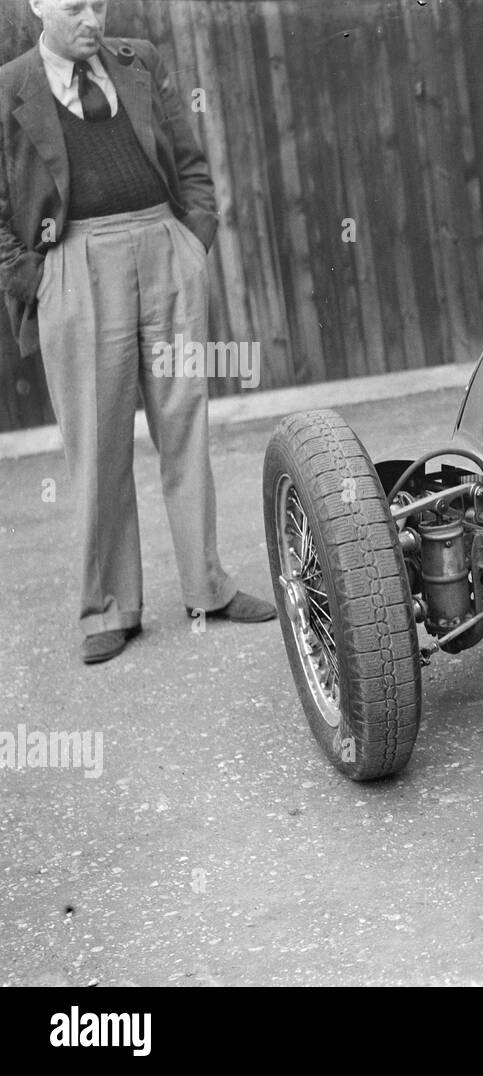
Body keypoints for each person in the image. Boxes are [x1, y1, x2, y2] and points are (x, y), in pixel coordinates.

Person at [0, 0, 274, 664]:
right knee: (97, 439)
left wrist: (193, 242)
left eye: (99, 3)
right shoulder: (11, 87)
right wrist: (33, 277)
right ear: (38, 6)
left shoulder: (139, 60)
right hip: (74, 263)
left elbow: (189, 159)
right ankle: (108, 608)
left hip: (163, 249)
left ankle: (207, 586)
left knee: (186, 421)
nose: (92, 18)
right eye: (75, 7)